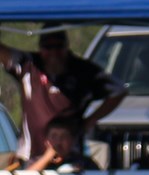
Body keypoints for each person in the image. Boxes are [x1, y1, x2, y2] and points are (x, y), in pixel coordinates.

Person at [0, 24, 127, 162]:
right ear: (40, 48)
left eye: (59, 47)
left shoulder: (83, 71)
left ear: (67, 47)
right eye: (48, 47)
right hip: (30, 156)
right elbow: (4, 53)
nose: (53, 53)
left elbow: (118, 91)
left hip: (69, 158)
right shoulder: (28, 65)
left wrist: (90, 121)